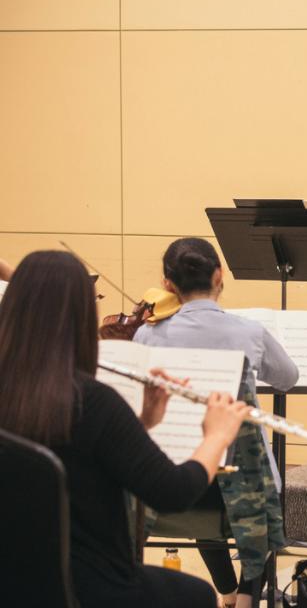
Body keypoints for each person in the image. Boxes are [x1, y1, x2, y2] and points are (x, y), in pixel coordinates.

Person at [0, 250, 251, 608]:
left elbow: (77, 457)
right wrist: (217, 436)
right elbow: (173, 493)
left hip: (14, 580)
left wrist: (141, 423)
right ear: (81, 317)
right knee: (196, 595)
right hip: (88, 586)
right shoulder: (93, 401)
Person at [134, 238, 299, 608]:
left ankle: (224, 593)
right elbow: (288, 378)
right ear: (219, 275)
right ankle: (244, 598)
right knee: (260, 483)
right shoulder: (249, 332)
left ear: (168, 285)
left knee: (202, 469)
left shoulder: (147, 333)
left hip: (176, 487)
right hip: (244, 491)